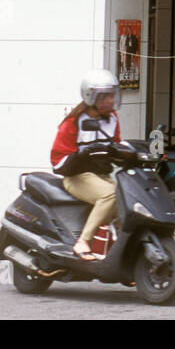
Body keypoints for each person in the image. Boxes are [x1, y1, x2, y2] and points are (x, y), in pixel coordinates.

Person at [50, 68, 122, 260]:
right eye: (104, 96)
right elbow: (57, 162)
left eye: (112, 96)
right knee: (110, 195)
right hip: (77, 176)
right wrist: (81, 155)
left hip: (102, 175)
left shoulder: (112, 119)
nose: (110, 101)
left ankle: (118, 250)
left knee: (127, 198)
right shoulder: (74, 122)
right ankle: (83, 241)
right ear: (90, 96)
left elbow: (116, 146)